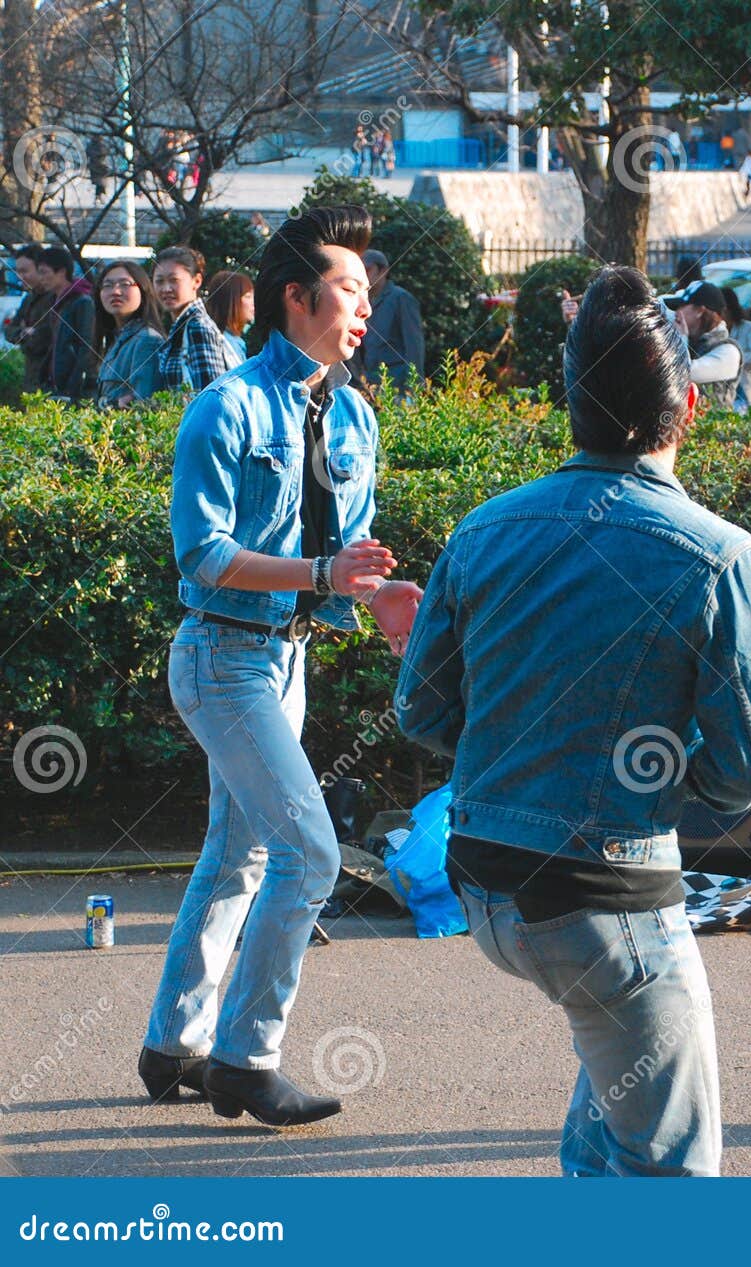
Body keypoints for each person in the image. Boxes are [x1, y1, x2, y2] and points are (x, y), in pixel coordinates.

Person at [397, 265, 751, 1177]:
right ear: (688, 407)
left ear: (567, 404)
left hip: (486, 887)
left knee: (612, 1088)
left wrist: (519, 750)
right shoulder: (721, 555)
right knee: (671, 1169)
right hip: (608, 896)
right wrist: (658, 780)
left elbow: (421, 708)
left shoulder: (482, 530)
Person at [139, 206, 423, 1128]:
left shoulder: (354, 417)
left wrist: (372, 596)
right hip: (219, 657)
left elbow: (346, 550)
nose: (364, 312)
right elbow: (202, 555)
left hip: (285, 661)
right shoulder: (224, 407)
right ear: (295, 299)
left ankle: (170, 1044)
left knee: (240, 852)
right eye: (349, 292)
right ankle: (246, 1060)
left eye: (368, 297)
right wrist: (320, 574)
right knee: (309, 852)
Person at [153, 245, 241, 392]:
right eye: (159, 281)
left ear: (197, 281)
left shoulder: (197, 325)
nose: (166, 289)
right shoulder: (182, 326)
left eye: (174, 280)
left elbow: (211, 394)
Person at [94, 260, 167, 407]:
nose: (115, 291)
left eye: (125, 284)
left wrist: (106, 404)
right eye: (107, 285)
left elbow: (144, 405)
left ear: (143, 289)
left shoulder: (147, 340)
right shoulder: (116, 339)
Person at [355, 249, 424, 397]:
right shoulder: (363, 301)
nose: (363, 276)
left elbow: (414, 345)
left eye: (367, 270)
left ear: (384, 271)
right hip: (371, 387)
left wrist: (415, 387)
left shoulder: (401, 298)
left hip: (398, 387)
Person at [664, 279, 741, 409]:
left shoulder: (729, 351)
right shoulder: (691, 341)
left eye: (681, 306)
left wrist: (680, 338)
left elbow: (683, 372)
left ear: (700, 311)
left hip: (712, 428)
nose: (676, 312)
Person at [35, 246, 96, 402]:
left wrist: (73, 386)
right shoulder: (55, 301)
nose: (40, 278)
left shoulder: (82, 301)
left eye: (44, 272)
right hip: (55, 384)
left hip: (75, 389)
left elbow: (86, 346)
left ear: (61, 272)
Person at [4, 244, 56, 391]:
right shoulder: (29, 298)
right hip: (31, 378)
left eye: (25, 271)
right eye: (18, 272)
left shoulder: (56, 299)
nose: (21, 277)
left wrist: (28, 335)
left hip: (50, 380)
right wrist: (22, 333)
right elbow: (9, 331)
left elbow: (43, 338)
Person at [721, 285, 751, 412]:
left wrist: (734, 359)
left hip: (747, 390)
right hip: (725, 393)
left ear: (730, 309)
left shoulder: (748, 328)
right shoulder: (716, 332)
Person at [204, 270, 255, 363]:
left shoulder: (235, 341)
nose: (253, 302)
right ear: (230, 301)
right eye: (248, 296)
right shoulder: (221, 343)